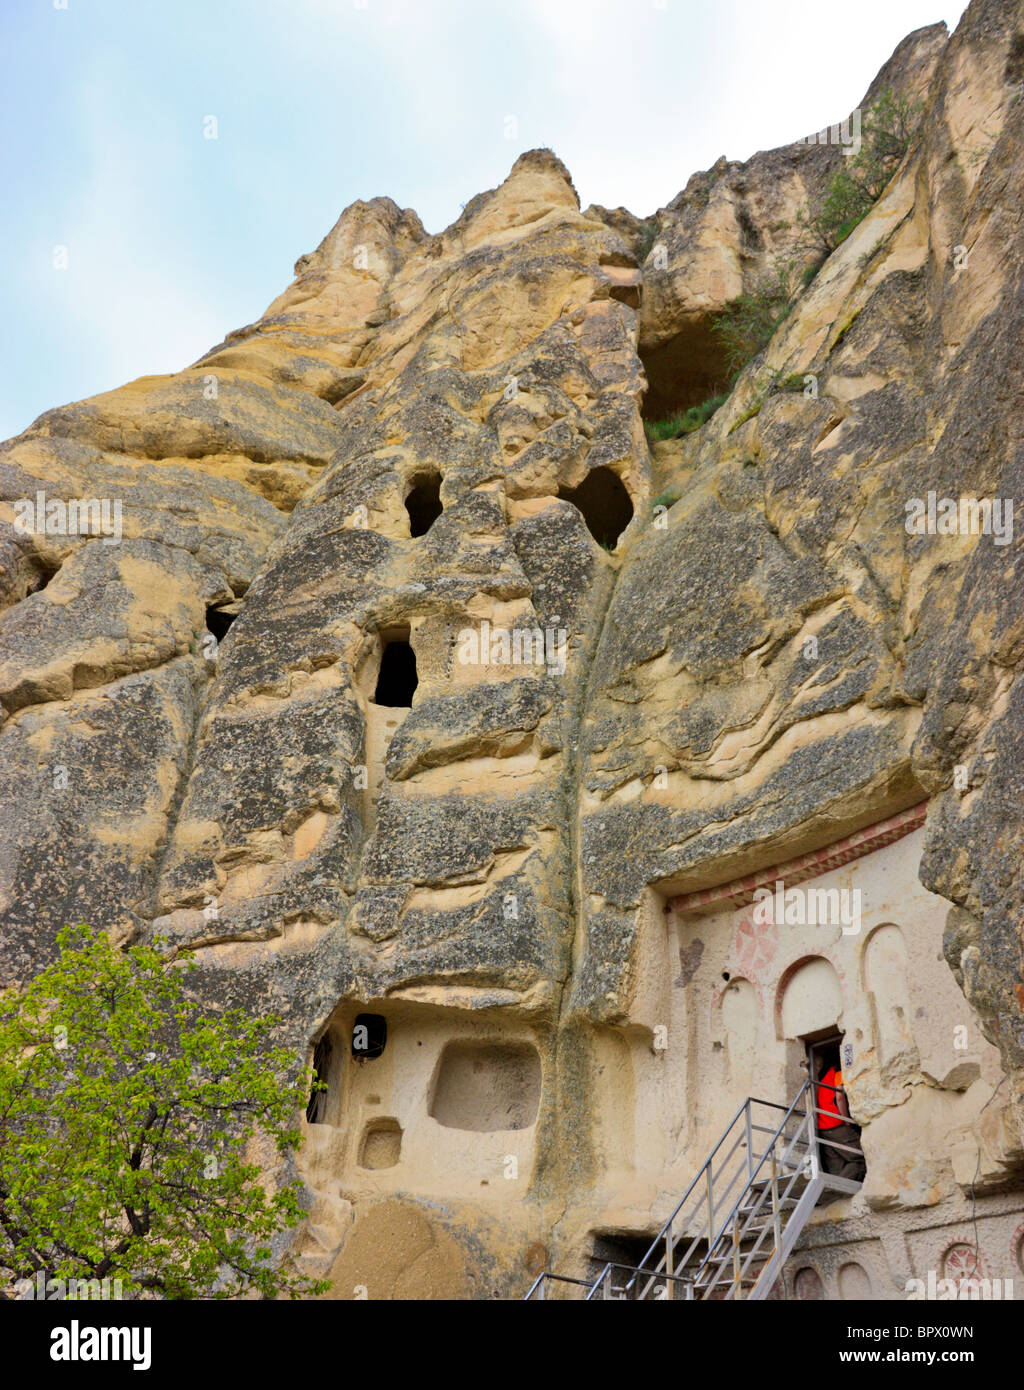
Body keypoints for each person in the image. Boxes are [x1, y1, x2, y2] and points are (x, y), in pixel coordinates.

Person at [815, 1053, 866, 1182]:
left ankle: (836, 1193)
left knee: (836, 1166)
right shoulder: (837, 1073)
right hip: (836, 1123)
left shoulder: (822, 1077)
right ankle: (838, 1187)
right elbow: (839, 1096)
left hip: (823, 1127)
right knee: (860, 1157)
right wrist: (846, 1119)